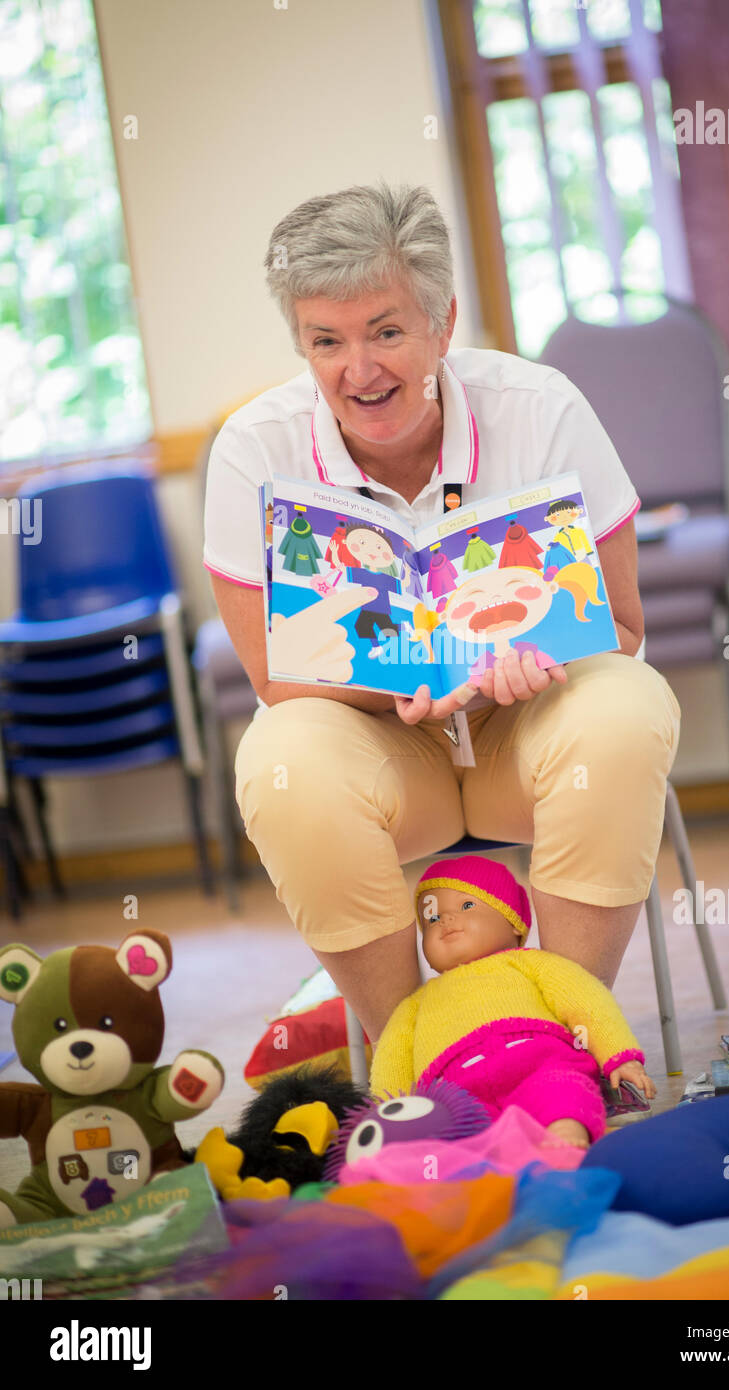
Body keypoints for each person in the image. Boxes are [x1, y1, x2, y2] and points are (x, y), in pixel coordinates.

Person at [203, 182, 681, 1045]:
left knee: (623, 703)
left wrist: (523, 662)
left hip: (526, 725)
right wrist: (398, 691)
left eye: (386, 331)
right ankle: (420, 1056)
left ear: (442, 323)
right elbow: (275, 679)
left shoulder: (540, 408)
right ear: (301, 344)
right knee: (280, 757)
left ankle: (564, 1040)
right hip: (385, 747)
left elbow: (623, 627)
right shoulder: (253, 450)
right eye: (326, 341)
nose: (360, 370)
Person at [370, 855, 656, 1148]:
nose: (445, 920)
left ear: (514, 924)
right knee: (443, 1131)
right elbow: (393, 1057)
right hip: (455, 1092)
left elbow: (586, 1000)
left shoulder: (532, 964)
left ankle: (565, 1137)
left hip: (539, 1062)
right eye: (431, 918)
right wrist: (388, 1119)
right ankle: (481, 1160)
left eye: (467, 905)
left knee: (566, 1088)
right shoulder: (415, 1005)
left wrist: (620, 1055)